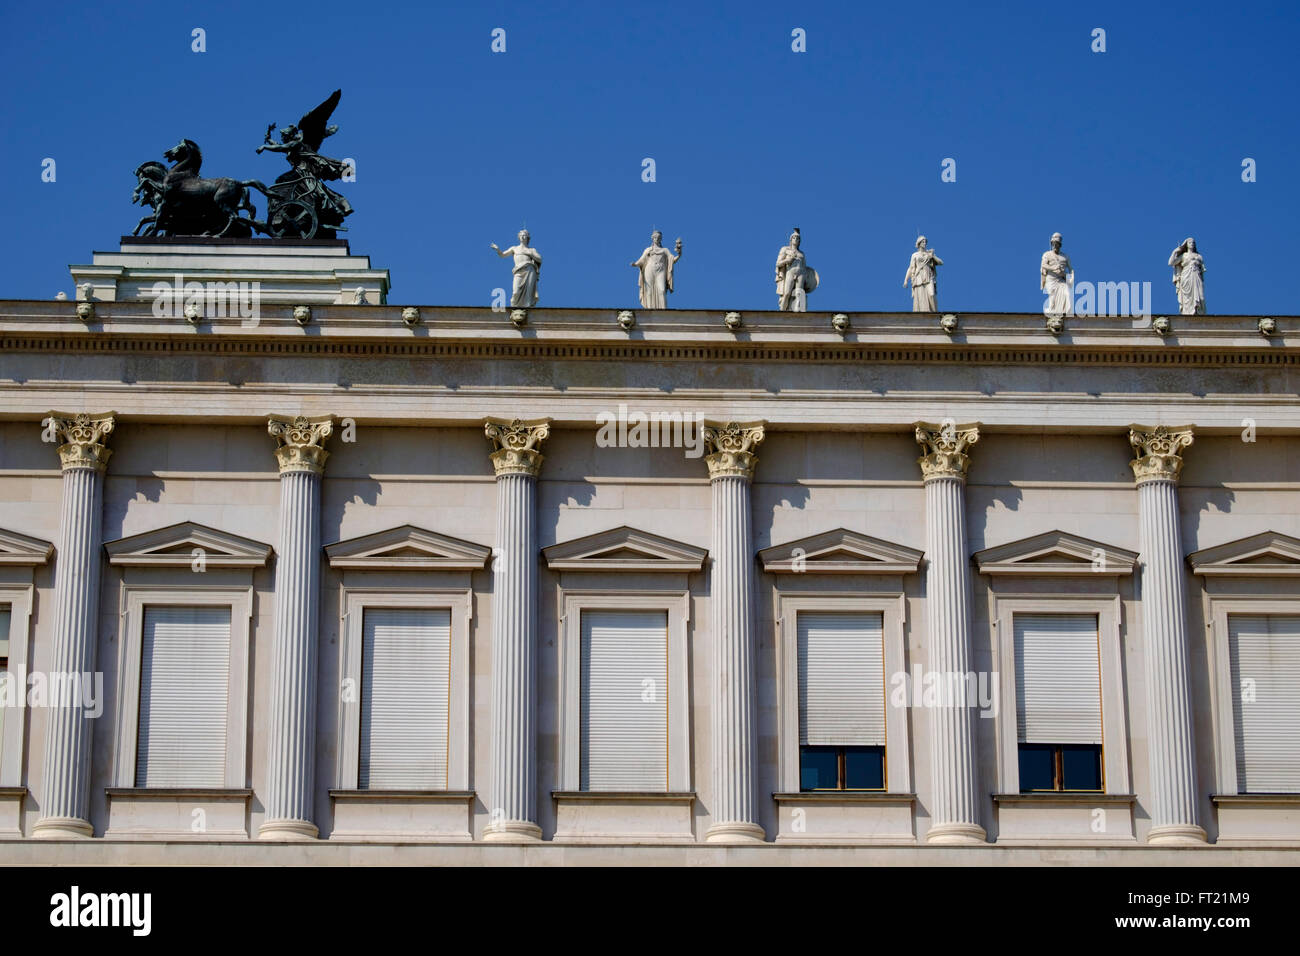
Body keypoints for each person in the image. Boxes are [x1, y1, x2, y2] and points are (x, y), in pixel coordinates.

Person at [630, 231, 682, 309]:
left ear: (661, 239)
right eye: (655, 237)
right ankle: (649, 309)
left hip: (661, 270)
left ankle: (663, 310)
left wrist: (679, 254)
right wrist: (635, 264)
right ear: (652, 238)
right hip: (649, 269)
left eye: (658, 237)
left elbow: (672, 260)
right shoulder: (648, 250)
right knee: (649, 290)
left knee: (662, 290)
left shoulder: (665, 250)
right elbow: (642, 260)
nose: (657, 239)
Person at [491, 229, 543, 307]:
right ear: (518, 237)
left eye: (524, 235)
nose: (522, 237)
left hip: (529, 270)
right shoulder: (514, 248)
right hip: (518, 271)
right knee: (516, 292)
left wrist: (529, 253)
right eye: (521, 235)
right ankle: (515, 309)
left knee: (529, 292)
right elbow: (503, 255)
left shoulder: (531, 250)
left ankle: (527, 308)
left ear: (527, 237)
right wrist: (498, 249)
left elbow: (539, 259)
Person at [775, 228, 818, 311]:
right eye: (794, 238)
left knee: (799, 294)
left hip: (801, 274)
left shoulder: (801, 254)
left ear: (799, 241)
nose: (796, 239)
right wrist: (787, 260)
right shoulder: (785, 249)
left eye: (798, 238)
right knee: (787, 293)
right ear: (791, 240)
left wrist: (807, 278)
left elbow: (805, 267)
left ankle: (798, 311)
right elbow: (778, 263)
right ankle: (782, 311)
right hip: (790, 272)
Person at [904, 236, 943, 312]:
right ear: (919, 243)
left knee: (931, 294)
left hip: (929, 276)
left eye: (925, 242)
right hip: (919, 277)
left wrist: (933, 256)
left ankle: (934, 313)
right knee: (921, 297)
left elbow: (940, 262)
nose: (925, 243)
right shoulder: (915, 255)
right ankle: (923, 313)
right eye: (923, 242)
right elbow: (911, 268)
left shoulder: (929, 254)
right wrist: (906, 280)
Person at [1168, 237, 1206, 315]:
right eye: (1190, 242)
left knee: (1201, 297)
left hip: (1197, 276)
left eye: (1193, 243)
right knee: (1187, 297)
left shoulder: (1199, 256)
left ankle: (1200, 312)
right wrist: (1175, 251)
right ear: (1187, 245)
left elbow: (1202, 270)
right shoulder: (1184, 255)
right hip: (1186, 276)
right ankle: (1187, 313)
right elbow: (1171, 263)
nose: (1192, 244)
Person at [1040, 232, 1073, 316]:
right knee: (1053, 298)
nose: (1055, 245)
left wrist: (1071, 278)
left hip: (1061, 280)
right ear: (1051, 244)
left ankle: (1065, 312)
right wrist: (1054, 268)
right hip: (1051, 279)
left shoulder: (1065, 256)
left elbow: (1071, 269)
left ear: (1060, 245)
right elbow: (1043, 265)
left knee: (1067, 294)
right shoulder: (1047, 254)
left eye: (1056, 244)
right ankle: (1052, 311)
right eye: (1053, 243)